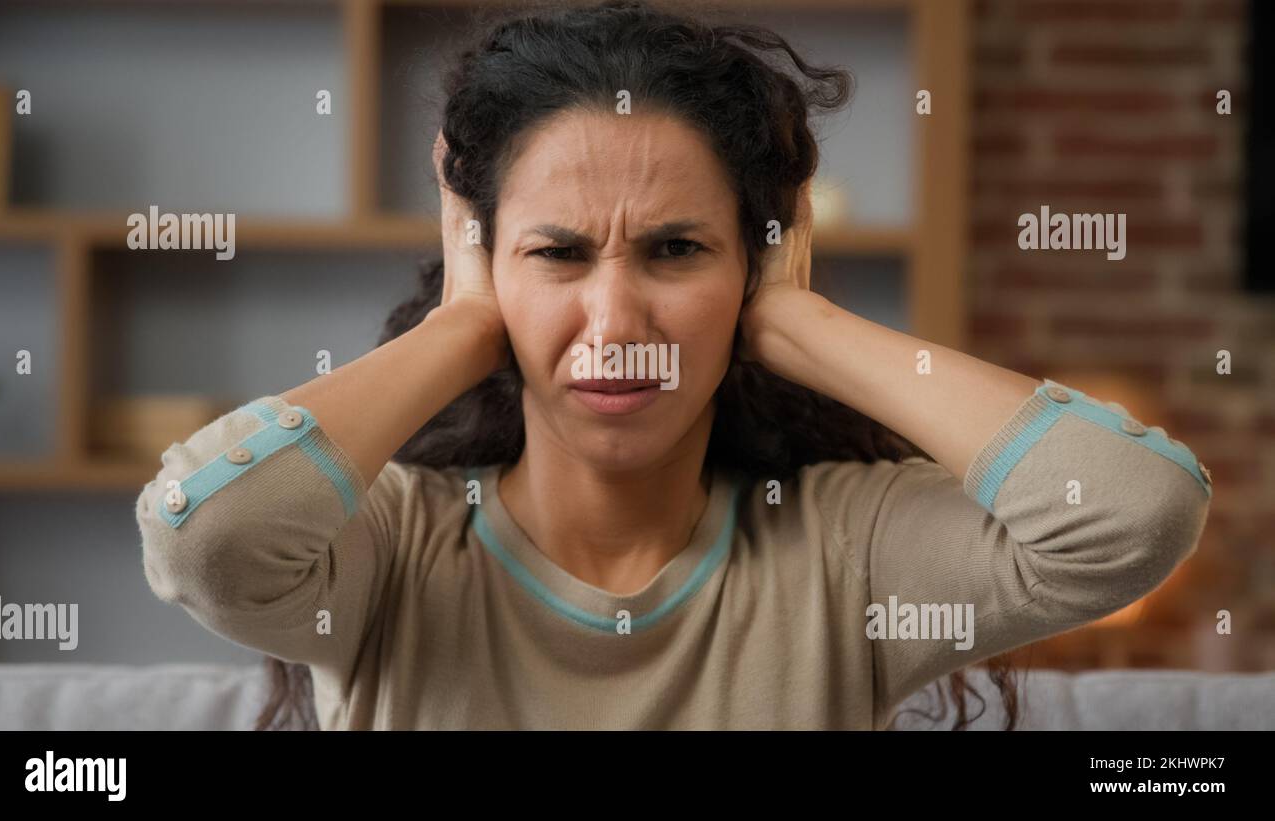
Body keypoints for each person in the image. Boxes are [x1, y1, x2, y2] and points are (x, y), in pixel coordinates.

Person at [136, 0, 1212, 730]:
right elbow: (204, 534)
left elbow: (1131, 508)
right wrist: (464, 324)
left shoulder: (845, 551)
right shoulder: (392, 548)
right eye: (555, 253)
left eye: (676, 249)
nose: (615, 320)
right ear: (481, 257)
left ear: (753, 259)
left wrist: (795, 320)